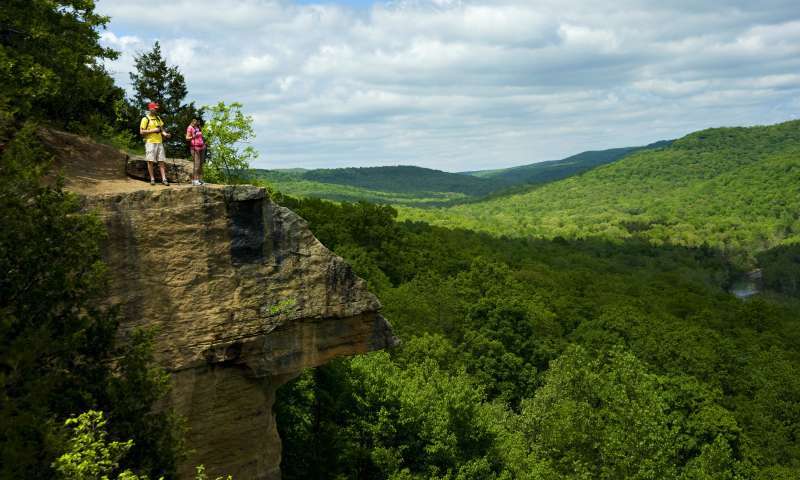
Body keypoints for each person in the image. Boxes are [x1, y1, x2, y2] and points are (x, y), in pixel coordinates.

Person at [139, 102, 171, 186]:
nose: (157, 109)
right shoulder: (145, 119)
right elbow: (141, 132)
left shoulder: (158, 118)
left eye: (157, 108)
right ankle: (152, 179)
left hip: (159, 142)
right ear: (150, 108)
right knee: (150, 161)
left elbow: (162, 130)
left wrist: (165, 134)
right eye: (155, 108)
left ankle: (164, 179)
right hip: (150, 142)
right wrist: (153, 130)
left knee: (161, 161)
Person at [186, 118, 206, 186]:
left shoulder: (199, 127)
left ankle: (200, 179)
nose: (198, 123)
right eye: (197, 121)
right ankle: (194, 180)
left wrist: (205, 143)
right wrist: (193, 136)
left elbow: (201, 136)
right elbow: (187, 138)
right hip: (194, 147)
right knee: (196, 164)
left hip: (202, 147)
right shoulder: (190, 127)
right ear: (194, 121)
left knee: (201, 164)